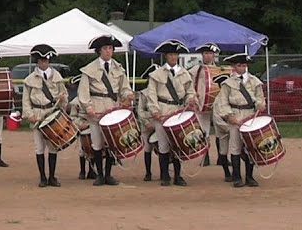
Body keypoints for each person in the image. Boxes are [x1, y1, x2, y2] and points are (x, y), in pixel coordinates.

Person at [76, 35, 134, 186]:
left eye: (110, 48)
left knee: (111, 143)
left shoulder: (118, 68)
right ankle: (99, 175)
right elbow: (83, 92)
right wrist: (88, 107)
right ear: (99, 51)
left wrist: (128, 96)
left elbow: (125, 87)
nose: (108, 51)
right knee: (97, 144)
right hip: (96, 109)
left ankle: (108, 174)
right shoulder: (89, 70)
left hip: (113, 109)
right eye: (105, 48)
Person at [146, 40, 198, 186]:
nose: (173, 57)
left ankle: (178, 175)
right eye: (171, 54)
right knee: (163, 145)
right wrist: (154, 110)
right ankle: (164, 176)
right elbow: (152, 95)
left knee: (178, 144)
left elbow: (190, 92)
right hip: (163, 109)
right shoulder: (156, 74)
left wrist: (190, 100)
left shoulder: (185, 73)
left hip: (178, 111)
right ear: (166, 56)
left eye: (175, 54)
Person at [213, 52, 267, 187]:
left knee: (251, 146)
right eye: (239, 65)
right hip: (235, 115)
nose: (242, 68)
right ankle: (236, 176)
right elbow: (223, 102)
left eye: (244, 65)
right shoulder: (227, 83)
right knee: (235, 147)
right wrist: (229, 116)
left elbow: (260, 97)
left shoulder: (255, 81)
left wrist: (261, 105)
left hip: (250, 115)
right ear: (234, 67)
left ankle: (250, 176)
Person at [22, 43, 68, 186]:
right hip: (37, 114)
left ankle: (52, 177)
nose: (44, 63)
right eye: (41, 61)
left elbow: (64, 94)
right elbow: (26, 101)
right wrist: (29, 115)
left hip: (52, 113)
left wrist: (63, 100)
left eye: (46, 61)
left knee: (53, 146)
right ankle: (42, 177)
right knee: (39, 147)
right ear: (37, 61)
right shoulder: (29, 80)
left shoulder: (57, 76)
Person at [191, 43, 228, 173]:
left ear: (214, 55)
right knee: (203, 130)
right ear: (202, 55)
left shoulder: (219, 69)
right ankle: (205, 156)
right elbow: (189, 83)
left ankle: (221, 157)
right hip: (201, 103)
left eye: (210, 53)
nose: (208, 56)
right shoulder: (196, 69)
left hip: (216, 103)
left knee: (220, 128)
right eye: (206, 53)